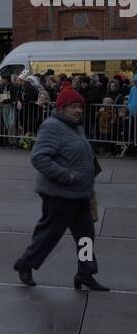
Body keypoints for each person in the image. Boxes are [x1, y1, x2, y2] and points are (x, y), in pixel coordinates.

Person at [14, 87, 108, 291]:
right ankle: (26, 263)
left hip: (80, 194)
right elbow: (39, 158)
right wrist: (67, 176)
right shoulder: (52, 127)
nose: (78, 111)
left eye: (80, 107)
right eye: (73, 107)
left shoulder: (76, 127)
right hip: (59, 194)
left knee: (86, 236)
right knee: (49, 234)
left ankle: (85, 273)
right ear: (62, 107)